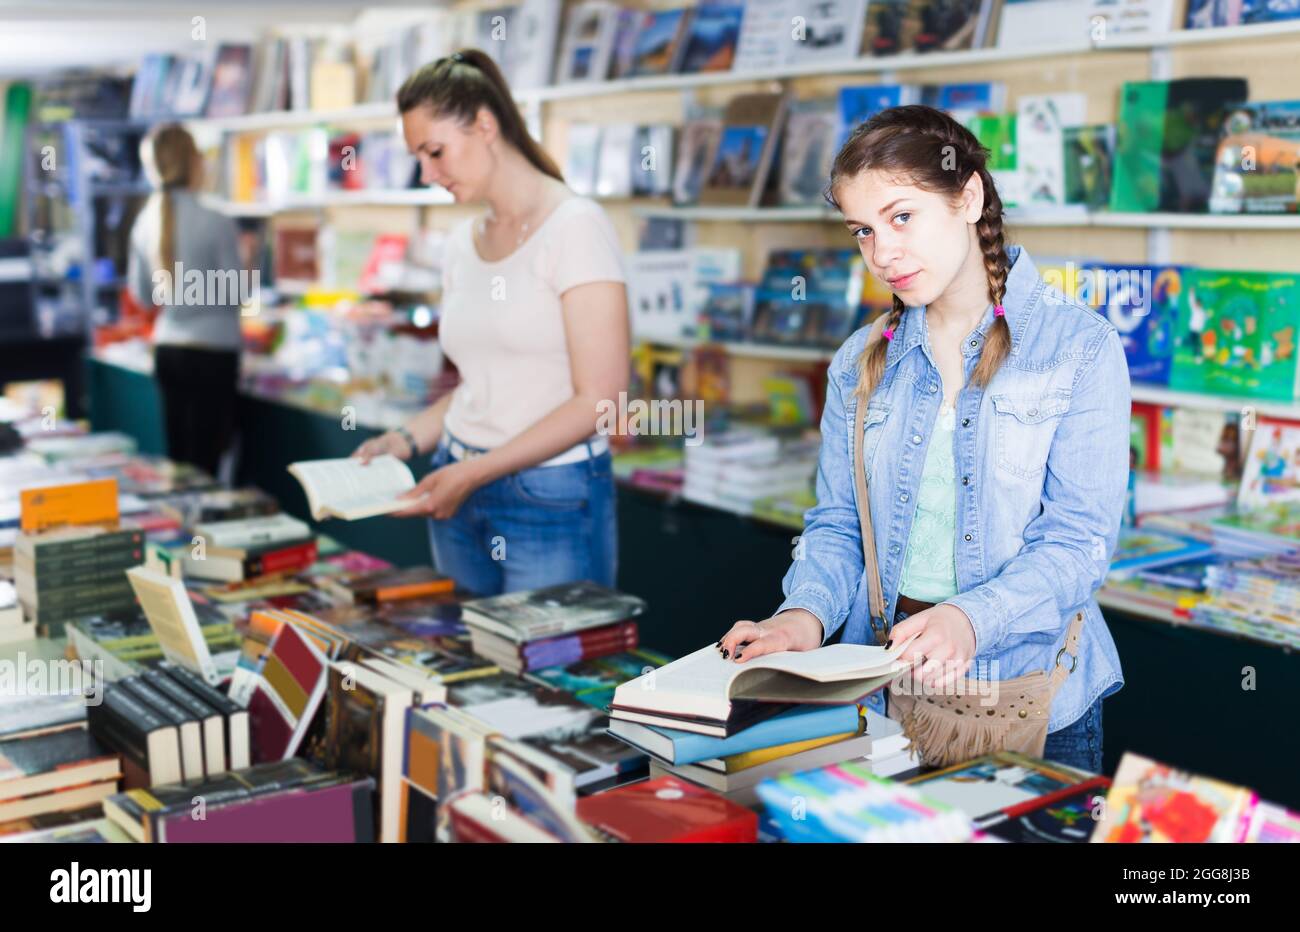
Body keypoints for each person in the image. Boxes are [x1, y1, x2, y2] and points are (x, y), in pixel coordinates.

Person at [718, 105, 1131, 774]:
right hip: (881, 695)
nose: (883, 254)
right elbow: (838, 525)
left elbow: (1079, 542)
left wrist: (970, 619)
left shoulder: (1077, 349)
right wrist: (802, 618)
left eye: (901, 217)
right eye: (863, 231)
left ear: (967, 197)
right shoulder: (859, 361)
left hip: (1027, 695)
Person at [352, 49, 630, 596]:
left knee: (552, 674)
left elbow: (601, 399)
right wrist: (404, 440)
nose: (428, 173)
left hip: (548, 494)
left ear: (484, 124)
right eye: (418, 158)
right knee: (472, 671)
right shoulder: (461, 244)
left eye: (435, 152)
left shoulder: (576, 227)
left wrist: (475, 473)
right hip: (454, 479)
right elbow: (478, 388)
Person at [129, 123, 245, 479]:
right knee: (209, 463)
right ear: (194, 161)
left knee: (179, 464)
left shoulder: (145, 221)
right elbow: (236, 292)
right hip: (214, 353)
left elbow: (143, 296)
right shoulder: (216, 219)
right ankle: (206, 534)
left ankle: (186, 533)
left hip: (169, 351)